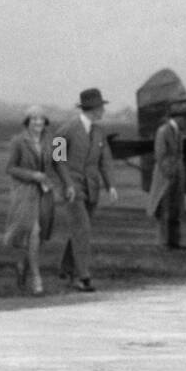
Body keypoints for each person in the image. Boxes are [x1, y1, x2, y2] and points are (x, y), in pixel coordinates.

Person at [53, 88, 118, 292]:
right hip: (72, 189)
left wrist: (111, 186)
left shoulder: (99, 132)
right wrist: (67, 184)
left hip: (92, 189)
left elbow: (105, 160)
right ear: (92, 109)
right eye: (101, 107)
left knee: (80, 230)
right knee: (83, 230)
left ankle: (67, 268)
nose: (103, 111)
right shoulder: (65, 130)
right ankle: (82, 277)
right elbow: (57, 158)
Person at [4, 105, 59, 296]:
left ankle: (23, 265)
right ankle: (37, 278)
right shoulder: (18, 142)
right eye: (34, 119)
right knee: (33, 231)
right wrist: (32, 175)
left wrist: (68, 184)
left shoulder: (53, 141)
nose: (38, 122)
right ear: (27, 121)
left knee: (41, 235)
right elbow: (10, 168)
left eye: (41, 119)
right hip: (25, 192)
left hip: (45, 192)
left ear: (46, 122)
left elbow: (60, 165)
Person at [147, 99, 186, 250]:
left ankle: (174, 241)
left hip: (175, 176)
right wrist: (169, 173)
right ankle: (163, 242)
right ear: (177, 118)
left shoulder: (178, 133)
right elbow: (160, 155)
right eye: (184, 118)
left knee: (175, 209)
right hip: (165, 177)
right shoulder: (163, 131)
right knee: (164, 209)